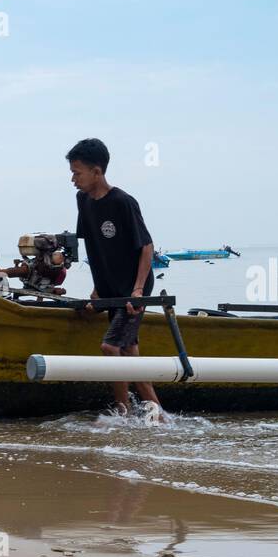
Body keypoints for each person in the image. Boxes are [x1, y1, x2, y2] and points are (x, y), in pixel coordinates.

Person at [67, 137, 163, 417]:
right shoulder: (83, 200)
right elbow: (97, 247)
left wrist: (136, 290)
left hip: (133, 289)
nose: (73, 179)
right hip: (110, 289)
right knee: (129, 352)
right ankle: (158, 414)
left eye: (77, 172)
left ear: (97, 172)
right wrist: (97, 290)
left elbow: (146, 245)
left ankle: (121, 412)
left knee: (110, 347)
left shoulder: (123, 202)